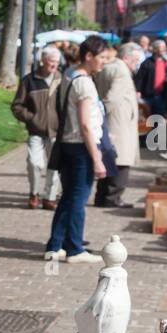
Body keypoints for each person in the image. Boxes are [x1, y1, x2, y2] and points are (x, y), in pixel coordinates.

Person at [44, 33, 108, 264]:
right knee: (78, 199)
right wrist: (97, 158)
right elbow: (85, 125)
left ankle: (56, 244)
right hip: (80, 147)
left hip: (69, 145)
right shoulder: (84, 83)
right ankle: (74, 248)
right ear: (88, 56)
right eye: (101, 57)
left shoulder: (70, 76)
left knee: (69, 197)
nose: (104, 61)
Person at [11, 45, 62, 209]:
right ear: (43, 61)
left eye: (56, 62)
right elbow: (17, 106)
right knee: (34, 163)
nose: (54, 65)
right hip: (36, 131)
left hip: (56, 130)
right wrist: (31, 118)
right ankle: (34, 193)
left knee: (54, 166)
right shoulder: (29, 80)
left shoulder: (61, 79)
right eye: (50, 62)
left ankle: (50, 197)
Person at [95, 41, 141, 207]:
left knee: (109, 159)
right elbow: (112, 98)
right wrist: (102, 114)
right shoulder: (121, 71)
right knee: (121, 160)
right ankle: (113, 198)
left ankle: (102, 196)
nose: (137, 64)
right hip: (118, 122)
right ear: (126, 57)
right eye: (135, 60)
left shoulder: (109, 67)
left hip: (112, 120)